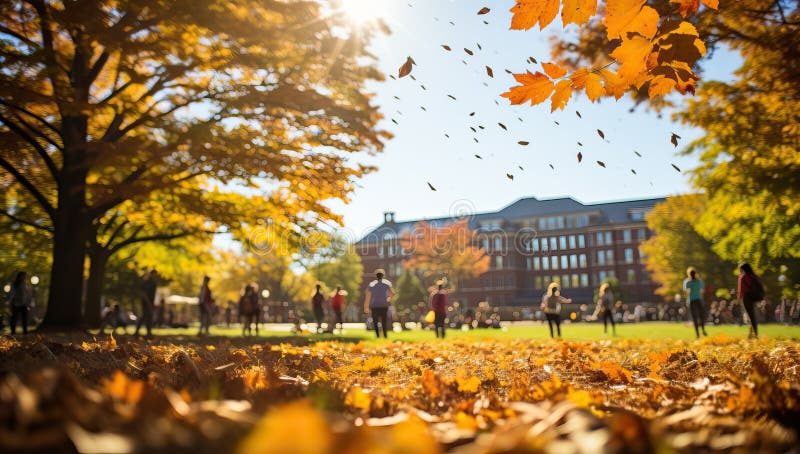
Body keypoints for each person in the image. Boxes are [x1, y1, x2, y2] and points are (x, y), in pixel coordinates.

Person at [363, 268, 394, 339]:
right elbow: (392, 292)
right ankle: (385, 335)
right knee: (384, 321)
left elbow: (367, 296)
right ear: (383, 275)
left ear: (376, 276)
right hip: (384, 305)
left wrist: (366, 306)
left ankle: (378, 336)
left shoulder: (372, 284)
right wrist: (389, 298)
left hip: (375, 305)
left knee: (375, 321)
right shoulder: (387, 283)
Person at [737, 262, 764, 338]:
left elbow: (741, 290)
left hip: (746, 297)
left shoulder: (742, 277)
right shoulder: (754, 276)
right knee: (752, 316)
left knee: (750, 316)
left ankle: (754, 334)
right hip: (754, 297)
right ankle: (752, 333)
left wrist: (738, 299)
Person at [683, 267, 708, 338]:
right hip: (699, 300)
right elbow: (702, 291)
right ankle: (703, 329)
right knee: (701, 316)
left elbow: (686, 292)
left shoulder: (687, 282)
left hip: (691, 300)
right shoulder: (700, 281)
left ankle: (697, 334)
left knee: (695, 317)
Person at [135, 269, 157, 337]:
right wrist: (148, 302)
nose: (155, 275)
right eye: (154, 274)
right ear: (151, 274)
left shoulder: (153, 283)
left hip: (150, 302)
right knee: (145, 317)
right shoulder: (148, 283)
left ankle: (147, 333)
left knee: (148, 317)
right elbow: (143, 293)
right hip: (146, 303)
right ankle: (141, 332)